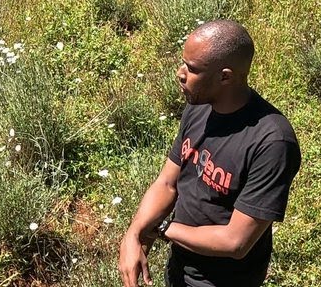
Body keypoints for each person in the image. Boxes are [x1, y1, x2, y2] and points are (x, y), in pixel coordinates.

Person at [119, 19, 300, 287]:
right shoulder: (200, 105)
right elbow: (167, 182)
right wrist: (134, 233)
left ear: (225, 76)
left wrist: (159, 229)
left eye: (191, 69)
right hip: (181, 264)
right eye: (182, 63)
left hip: (224, 280)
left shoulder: (272, 143)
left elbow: (235, 242)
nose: (180, 74)